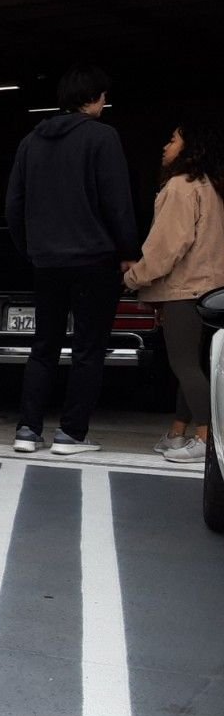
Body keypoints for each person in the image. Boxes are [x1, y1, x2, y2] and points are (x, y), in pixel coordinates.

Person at [4, 64, 138, 455]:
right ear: (93, 99)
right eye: (103, 97)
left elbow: (13, 204)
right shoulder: (103, 137)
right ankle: (72, 434)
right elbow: (118, 201)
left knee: (43, 345)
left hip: (46, 261)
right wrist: (128, 251)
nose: (105, 103)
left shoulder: (31, 141)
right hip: (94, 260)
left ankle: (27, 431)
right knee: (87, 348)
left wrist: (30, 247)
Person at [122, 115, 224, 462]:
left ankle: (207, 440)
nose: (166, 146)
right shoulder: (211, 185)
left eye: (173, 139)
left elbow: (167, 247)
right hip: (211, 292)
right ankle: (178, 433)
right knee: (193, 364)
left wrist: (134, 277)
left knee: (184, 364)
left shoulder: (180, 187)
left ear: (190, 148)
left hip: (185, 290)